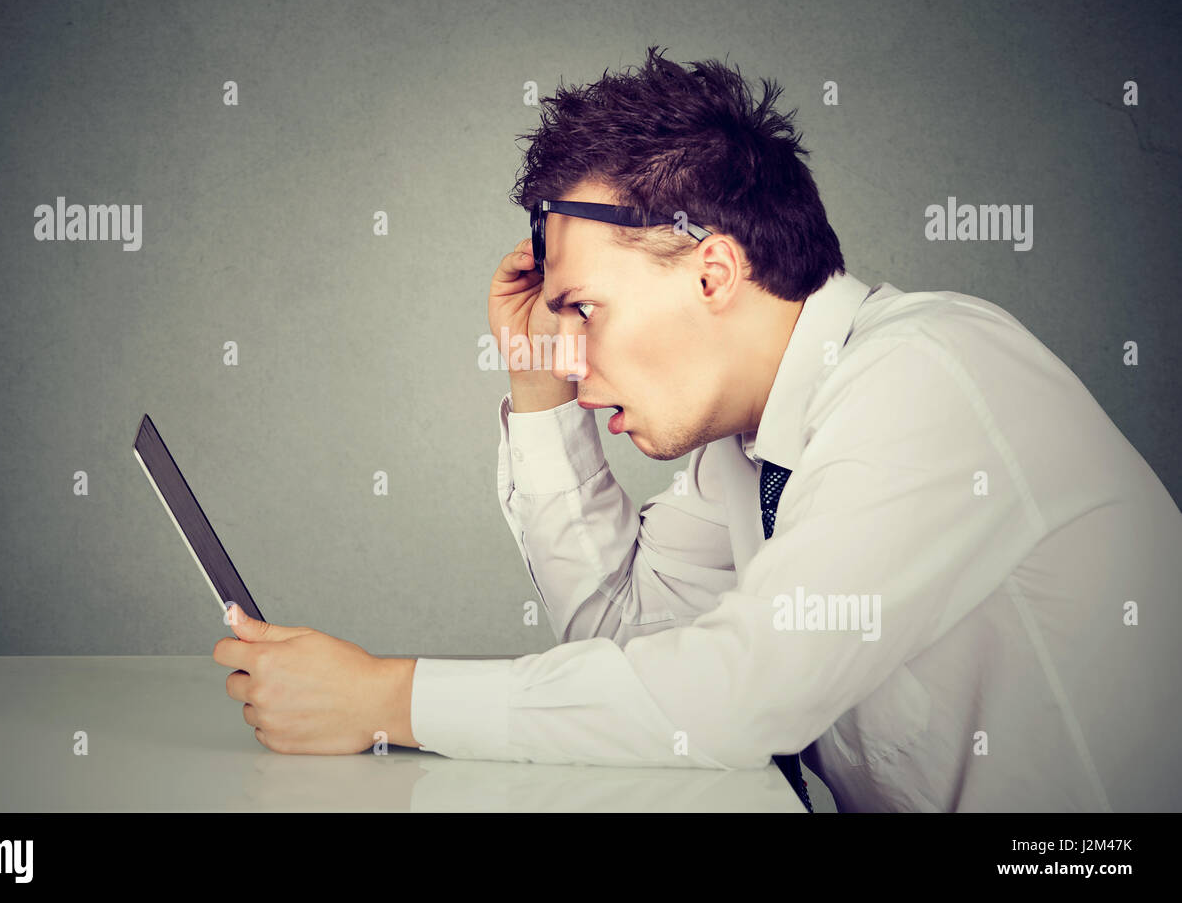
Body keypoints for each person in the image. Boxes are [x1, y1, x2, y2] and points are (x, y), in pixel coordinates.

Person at [213, 47, 1182, 811]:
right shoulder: (747, 449)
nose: (576, 358)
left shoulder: (926, 376)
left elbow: (736, 696)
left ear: (712, 272)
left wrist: (390, 698)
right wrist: (539, 377)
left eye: (584, 310)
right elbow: (616, 640)